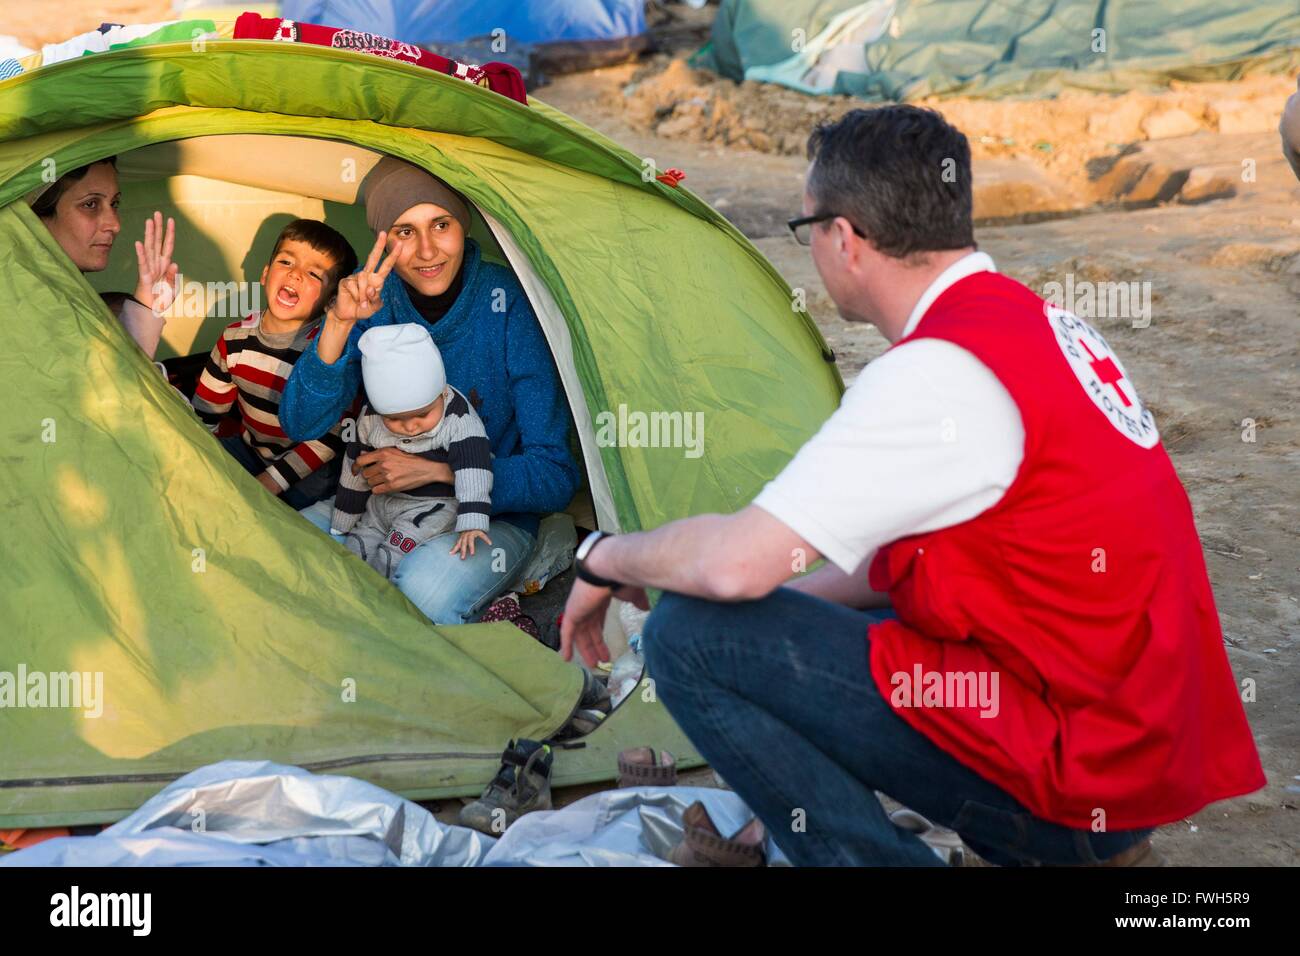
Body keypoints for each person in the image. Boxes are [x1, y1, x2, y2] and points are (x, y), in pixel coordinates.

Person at [559, 106, 1265, 867]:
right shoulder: (1036, 324)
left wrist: (608, 555)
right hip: (1126, 757)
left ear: (846, 238)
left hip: (1071, 786)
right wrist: (768, 610)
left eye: (807, 232)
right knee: (746, 610)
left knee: (689, 640)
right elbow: (915, 565)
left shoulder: (935, 372)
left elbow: (733, 563)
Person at [280, 156, 579, 624]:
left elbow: (555, 476)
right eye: (404, 231)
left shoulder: (507, 303)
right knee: (283, 554)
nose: (425, 251)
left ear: (463, 223)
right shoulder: (373, 298)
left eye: (441, 224)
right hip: (378, 507)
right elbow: (300, 422)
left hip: (487, 515)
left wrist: (435, 472)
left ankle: (524, 563)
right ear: (383, 240)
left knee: (420, 592)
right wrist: (338, 323)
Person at [191, 218, 358, 509]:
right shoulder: (234, 339)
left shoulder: (328, 351)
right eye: (286, 262)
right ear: (266, 274)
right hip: (252, 449)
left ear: (332, 300)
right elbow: (205, 415)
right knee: (200, 475)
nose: (295, 275)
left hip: (311, 463)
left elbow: (330, 437)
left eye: (314, 274)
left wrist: (270, 482)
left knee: (297, 511)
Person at [329, 324, 493, 577]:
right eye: (394, 419)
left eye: (423, 414)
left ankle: (384, 609)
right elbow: (354, 468)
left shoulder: (458, 418)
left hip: (432, 506)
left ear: (442, 392)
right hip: (381, 504)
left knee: (392, 556)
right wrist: (343, 520)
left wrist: (472, 522)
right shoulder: (370, 418)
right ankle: (350, 603)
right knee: (354, 553)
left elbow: (475, 469)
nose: (409, 426)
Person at [31, 156, 179, 358]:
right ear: (36, 216)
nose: (115, 224)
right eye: (90, 204)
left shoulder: (59, 298)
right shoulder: (23, 309)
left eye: (114, 203)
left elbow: (114, 382)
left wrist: (145, 306)